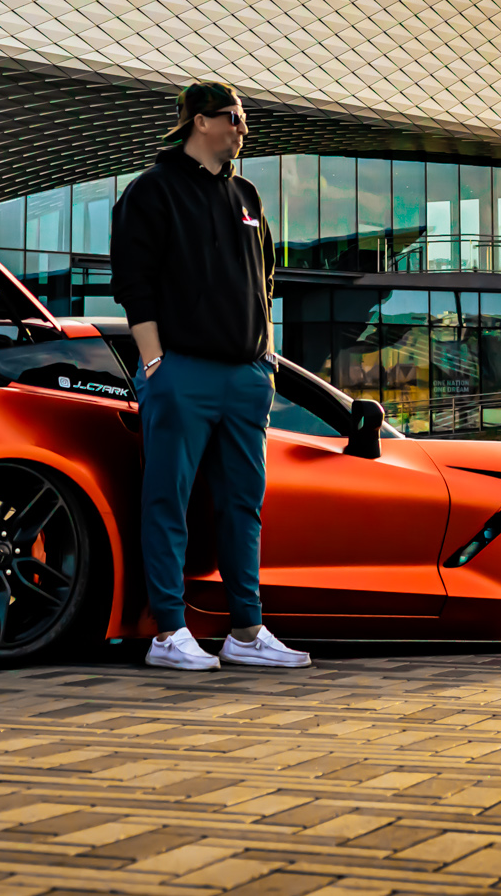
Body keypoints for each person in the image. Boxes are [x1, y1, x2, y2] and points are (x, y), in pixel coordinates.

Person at [110, 81, 310, 672]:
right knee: (167, 502)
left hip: (246, 378)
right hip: (181, 373)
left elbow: (265, 279)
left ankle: (246, 632)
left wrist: (264, 357)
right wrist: (155, 363)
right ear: (200, 121)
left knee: (242, 506)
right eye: (234, 118)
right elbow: (134, 282)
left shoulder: (247, 195)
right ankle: (169, 632)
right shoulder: (152, 190)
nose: (243, 129)